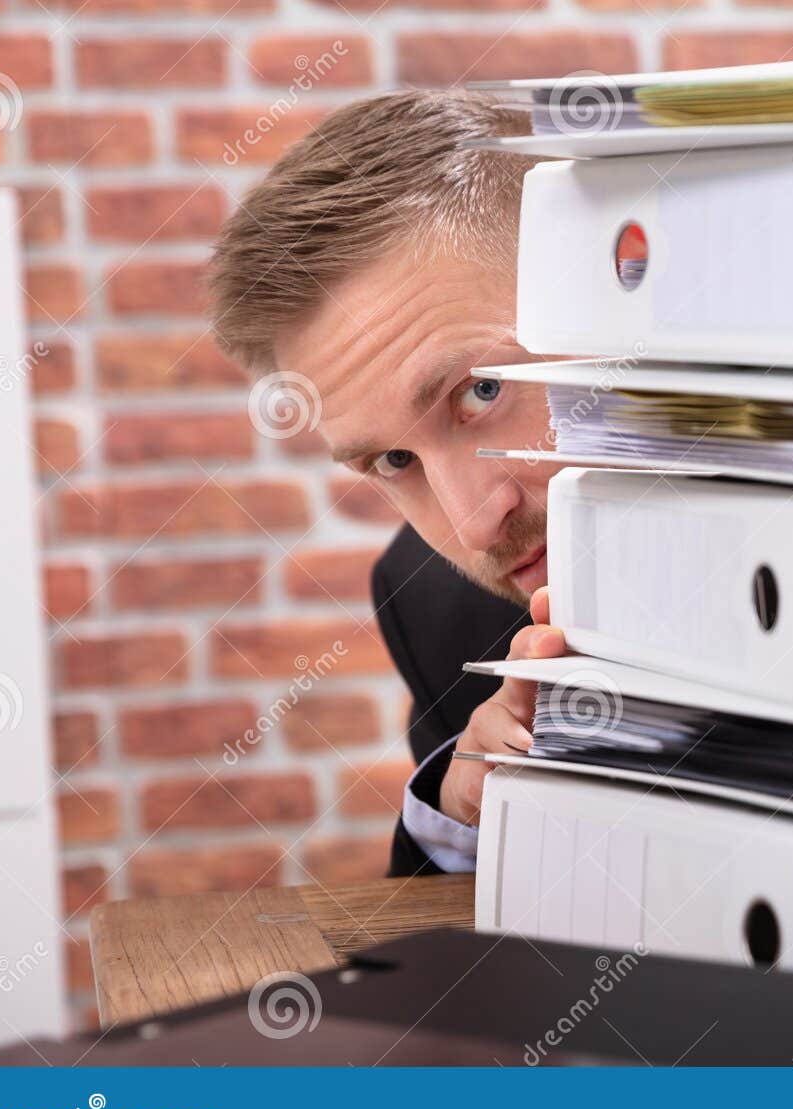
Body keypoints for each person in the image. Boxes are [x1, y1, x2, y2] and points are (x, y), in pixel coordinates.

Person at [207, 91, 565, 875]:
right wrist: (465, 817)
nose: (474, 523)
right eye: (394, 462)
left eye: (480, 393)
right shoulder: (432, 603)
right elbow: (456, 984)